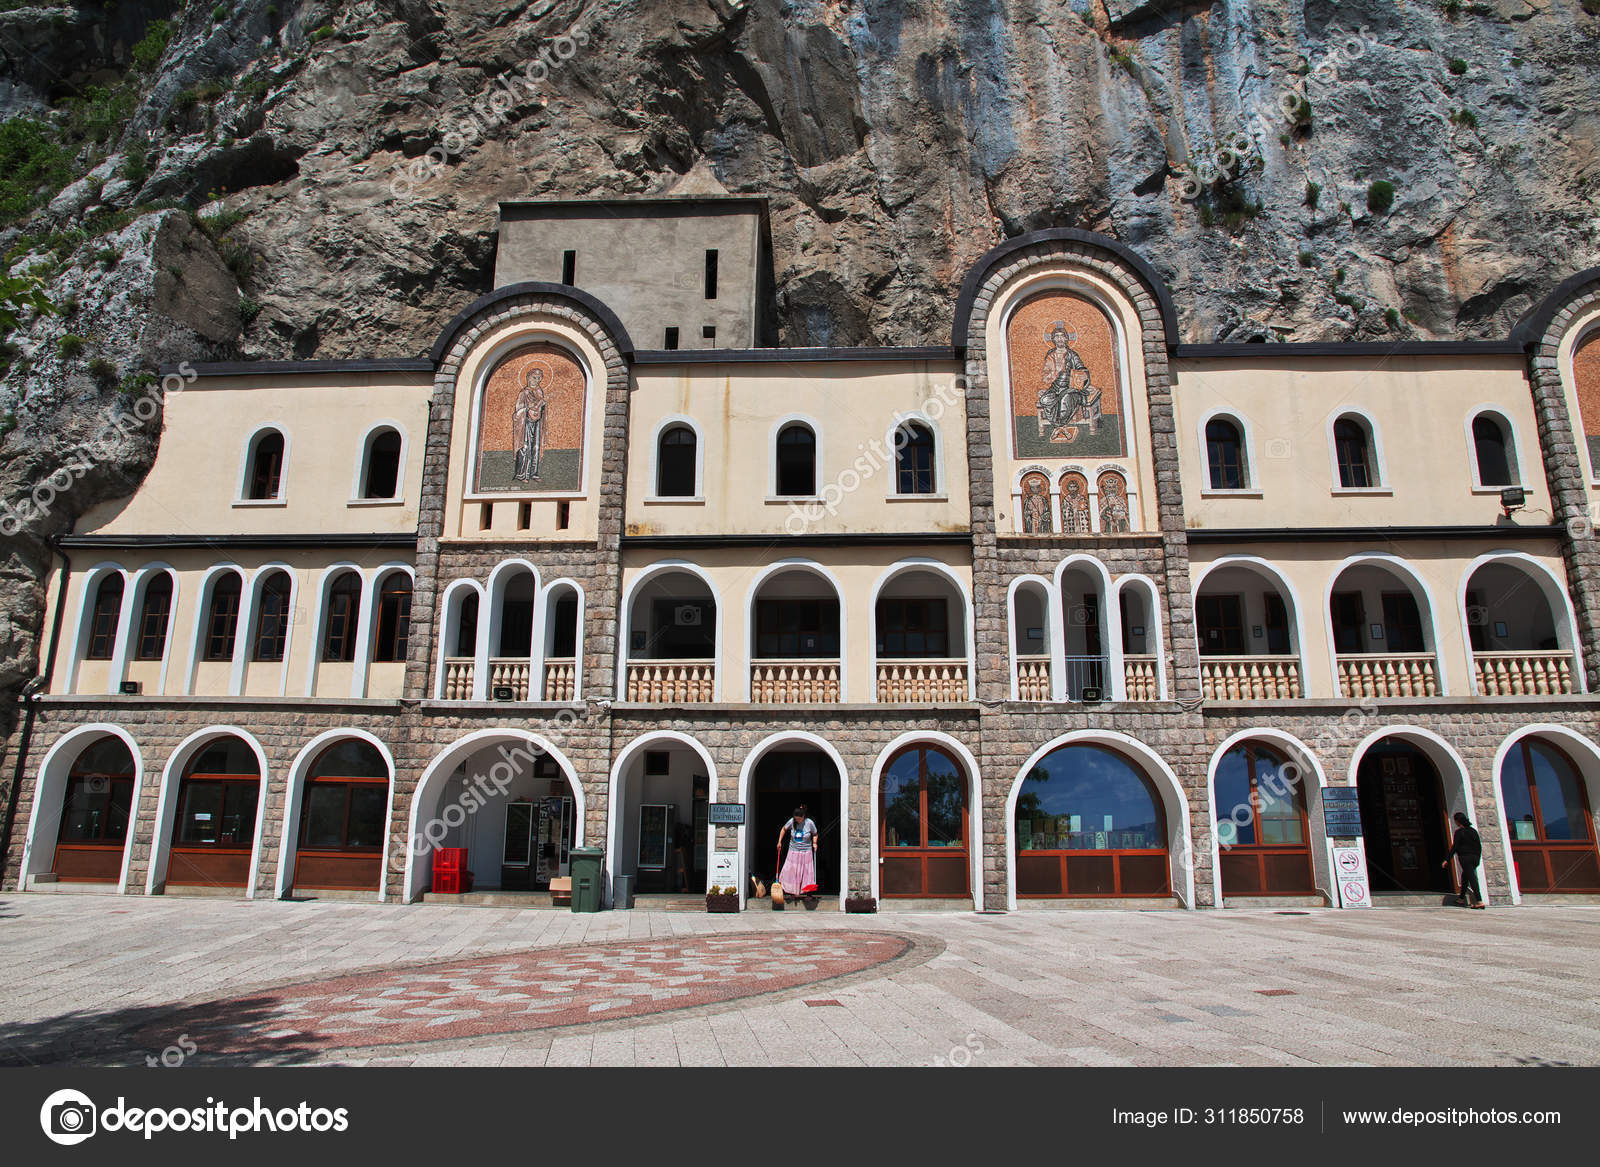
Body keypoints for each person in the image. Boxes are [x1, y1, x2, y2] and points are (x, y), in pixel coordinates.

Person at [1442, 811, 1485, 908]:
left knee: (1472, 878)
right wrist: (1477, 857)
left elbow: (1455, 847)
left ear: (1458, 821)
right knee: (1465, 877)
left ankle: (1479, 901)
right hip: (1475, 857)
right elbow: (1479, 846)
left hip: (1465, 858)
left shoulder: (1459, 832)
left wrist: (1447, 859)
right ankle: (1461, 898)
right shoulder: (1473, 831)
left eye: (1455, 821)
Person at [777, 804, 819, 903]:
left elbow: (815, 834)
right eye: (796, 819)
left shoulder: (809, 823)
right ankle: (791, 892)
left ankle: (808, 893)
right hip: (793, 851)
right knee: (791, 871)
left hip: (806, 851)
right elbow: (783, 829)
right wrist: (779, 841)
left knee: (806, 873)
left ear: (803, 816)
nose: (797, 821)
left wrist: (814, 843)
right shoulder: (791, 821)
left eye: (799, 819)